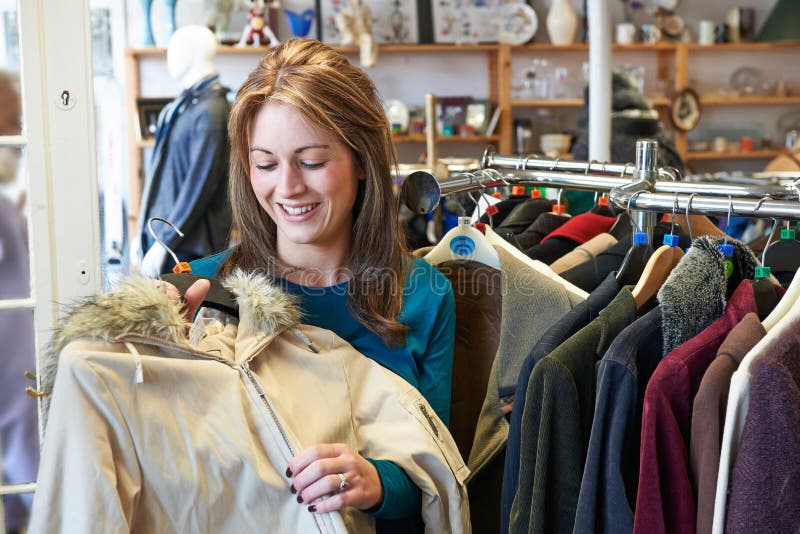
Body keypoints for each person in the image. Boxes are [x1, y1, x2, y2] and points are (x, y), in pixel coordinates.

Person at [181, 39, 456, 532]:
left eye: (310, 161)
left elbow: (434, 474)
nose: (286, 188)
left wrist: (374, 482)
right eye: (265, 164)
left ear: (362, 160)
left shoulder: (424, 295)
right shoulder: (202, 287)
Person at [136, 25, 232, 276]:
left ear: (196, 53)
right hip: (167, 238)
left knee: (183, 315)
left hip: (187, 248)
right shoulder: (186, 105)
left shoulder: (212, 111)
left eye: (176, 49)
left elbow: (198, 187)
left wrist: (163, 243)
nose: (169, 55)